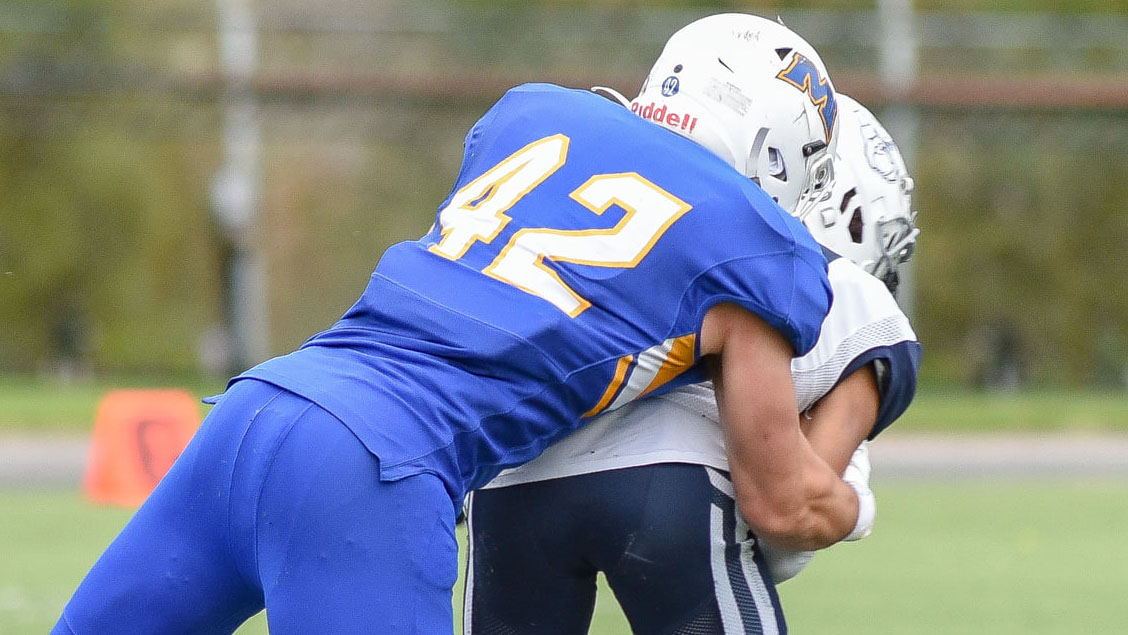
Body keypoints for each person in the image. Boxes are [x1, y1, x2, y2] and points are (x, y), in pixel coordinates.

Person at [54, 14, 856, 635]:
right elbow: (781, 501)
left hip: (257, 410)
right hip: (372, 467)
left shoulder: (534, 114)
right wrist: (852, 496)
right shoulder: (757, 240)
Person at [463, 93, 921, 635]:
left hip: (511, 480)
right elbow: (785, 526)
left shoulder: (606, 210)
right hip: (675, 486)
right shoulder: (845, 294)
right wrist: (853, 506)